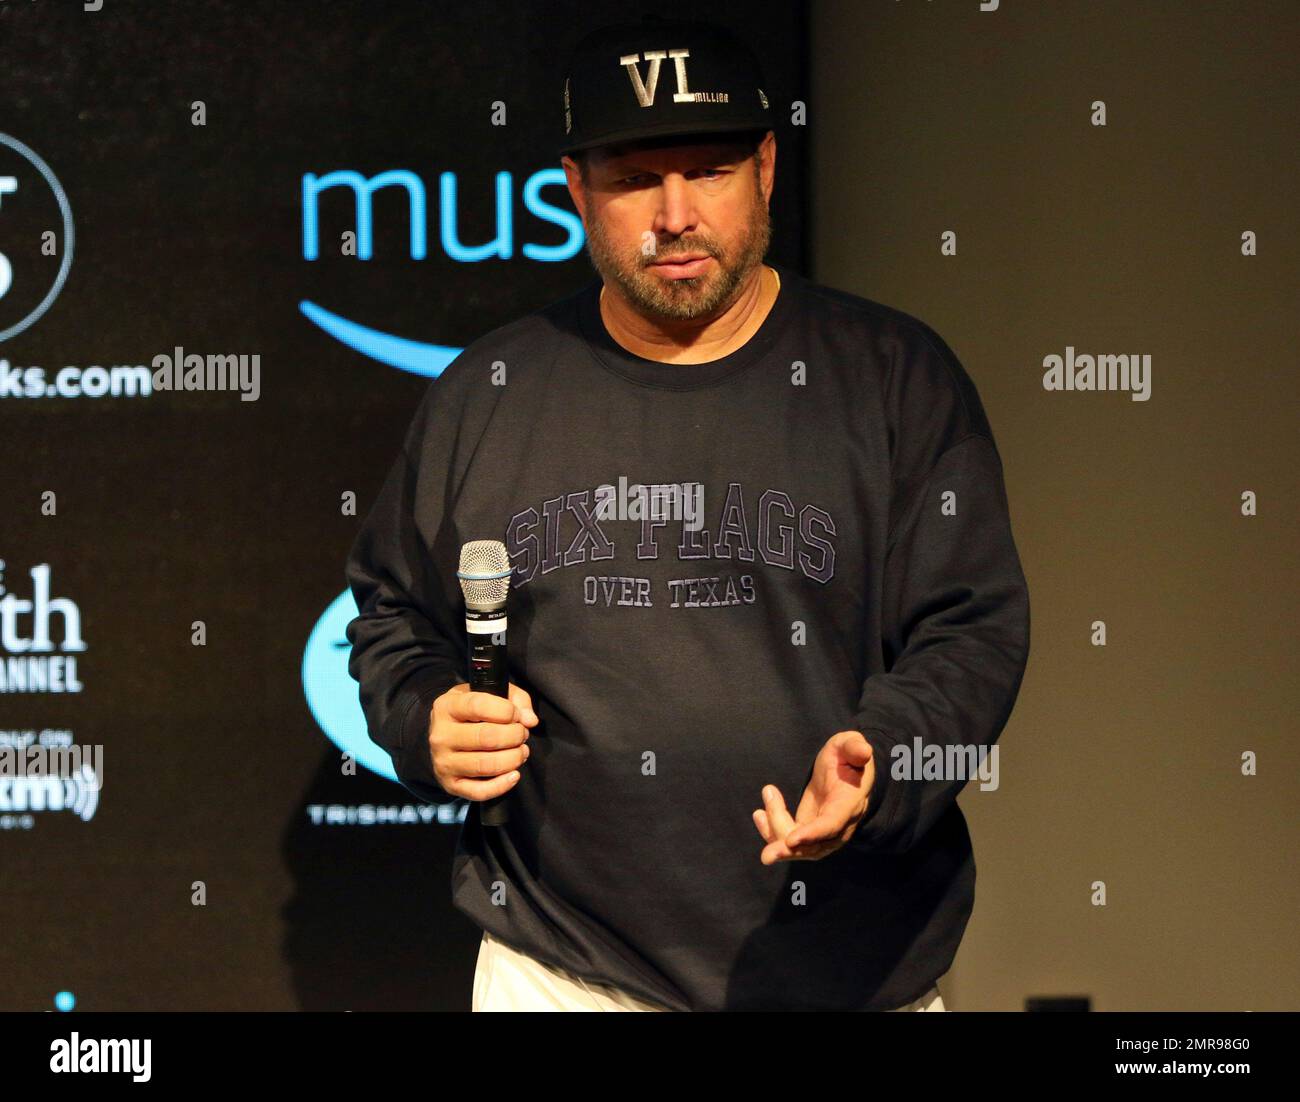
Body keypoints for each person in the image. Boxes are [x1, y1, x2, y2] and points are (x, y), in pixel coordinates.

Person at [345, 17, 1030, 1012]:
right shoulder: (489, 389)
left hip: (854, 972)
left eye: (706, 169)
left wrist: (881, 761)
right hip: (563, 972)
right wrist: (425, 719)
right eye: (632, 178)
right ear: (575, 192)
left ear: (764, 167)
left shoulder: (892, 379)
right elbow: (393, 618)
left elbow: (971, 630)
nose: (673, 214)